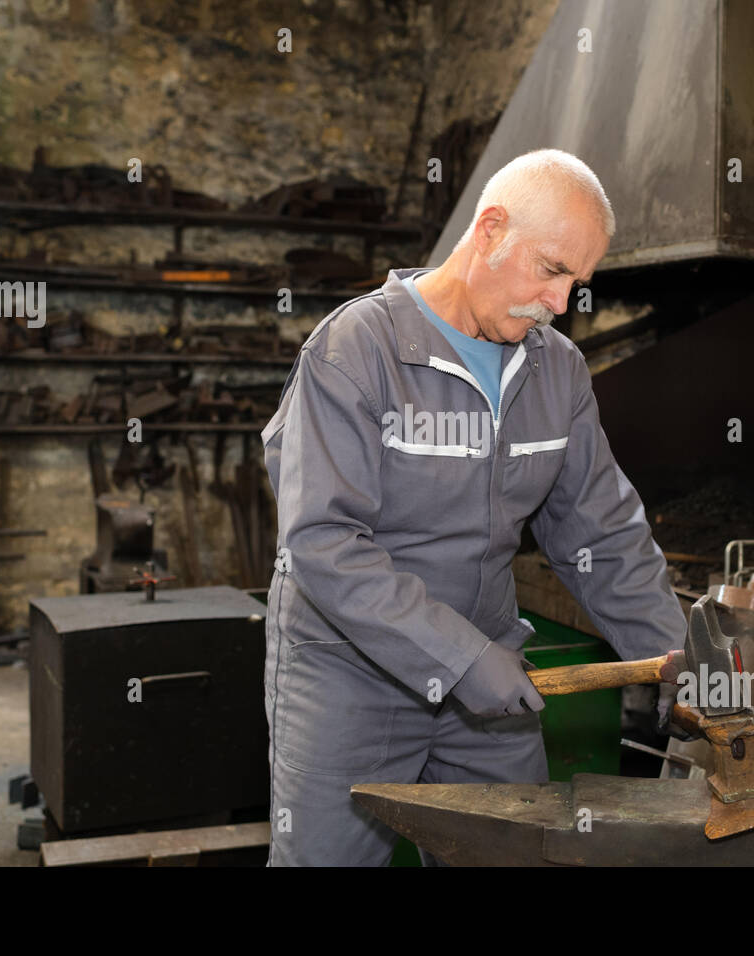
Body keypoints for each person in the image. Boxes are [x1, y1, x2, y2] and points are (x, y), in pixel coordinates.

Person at [260, 148, 686, 865]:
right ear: (489, 230)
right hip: (348, 675)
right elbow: (324, 542)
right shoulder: (356, 351)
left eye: (576, 282)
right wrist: (456, 659)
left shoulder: (558, 371)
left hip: (492, 687)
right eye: (552, 270)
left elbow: (602, 531)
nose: (559, 303)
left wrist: (673, 652)